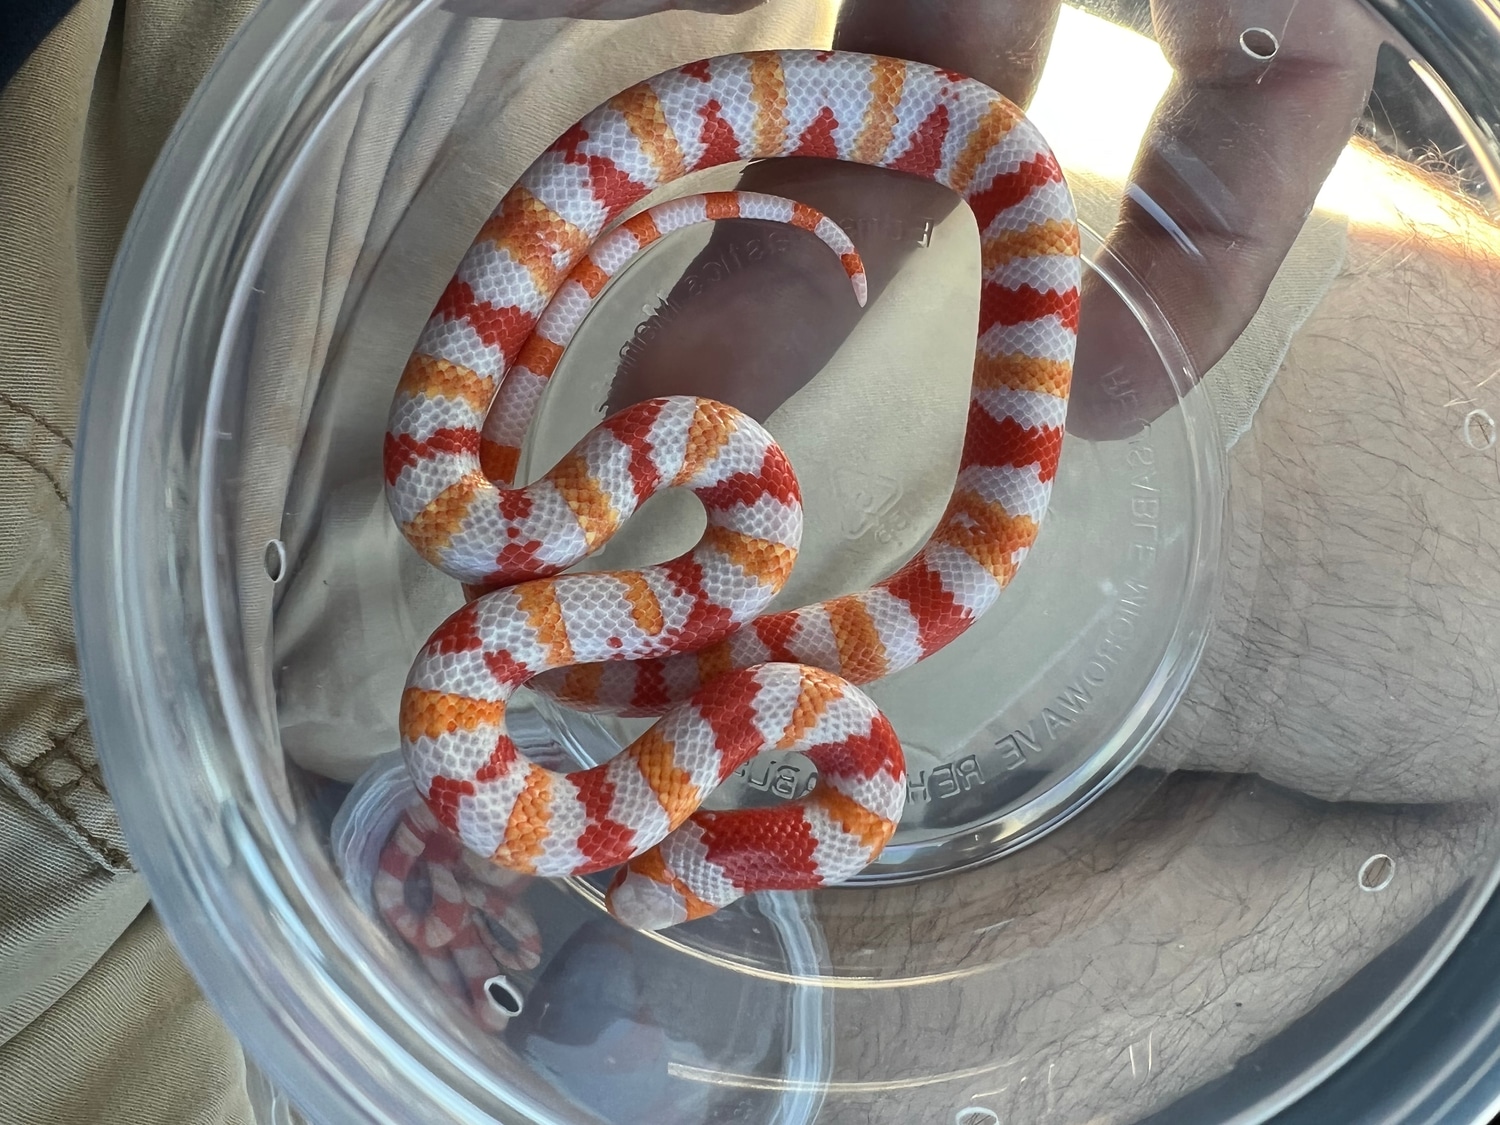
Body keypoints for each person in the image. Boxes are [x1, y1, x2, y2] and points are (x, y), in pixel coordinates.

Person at [3, 0, 1496, 1120]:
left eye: (645, 864)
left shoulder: (764, 666)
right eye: (654, 859)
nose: (619, 844)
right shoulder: (731, 624)